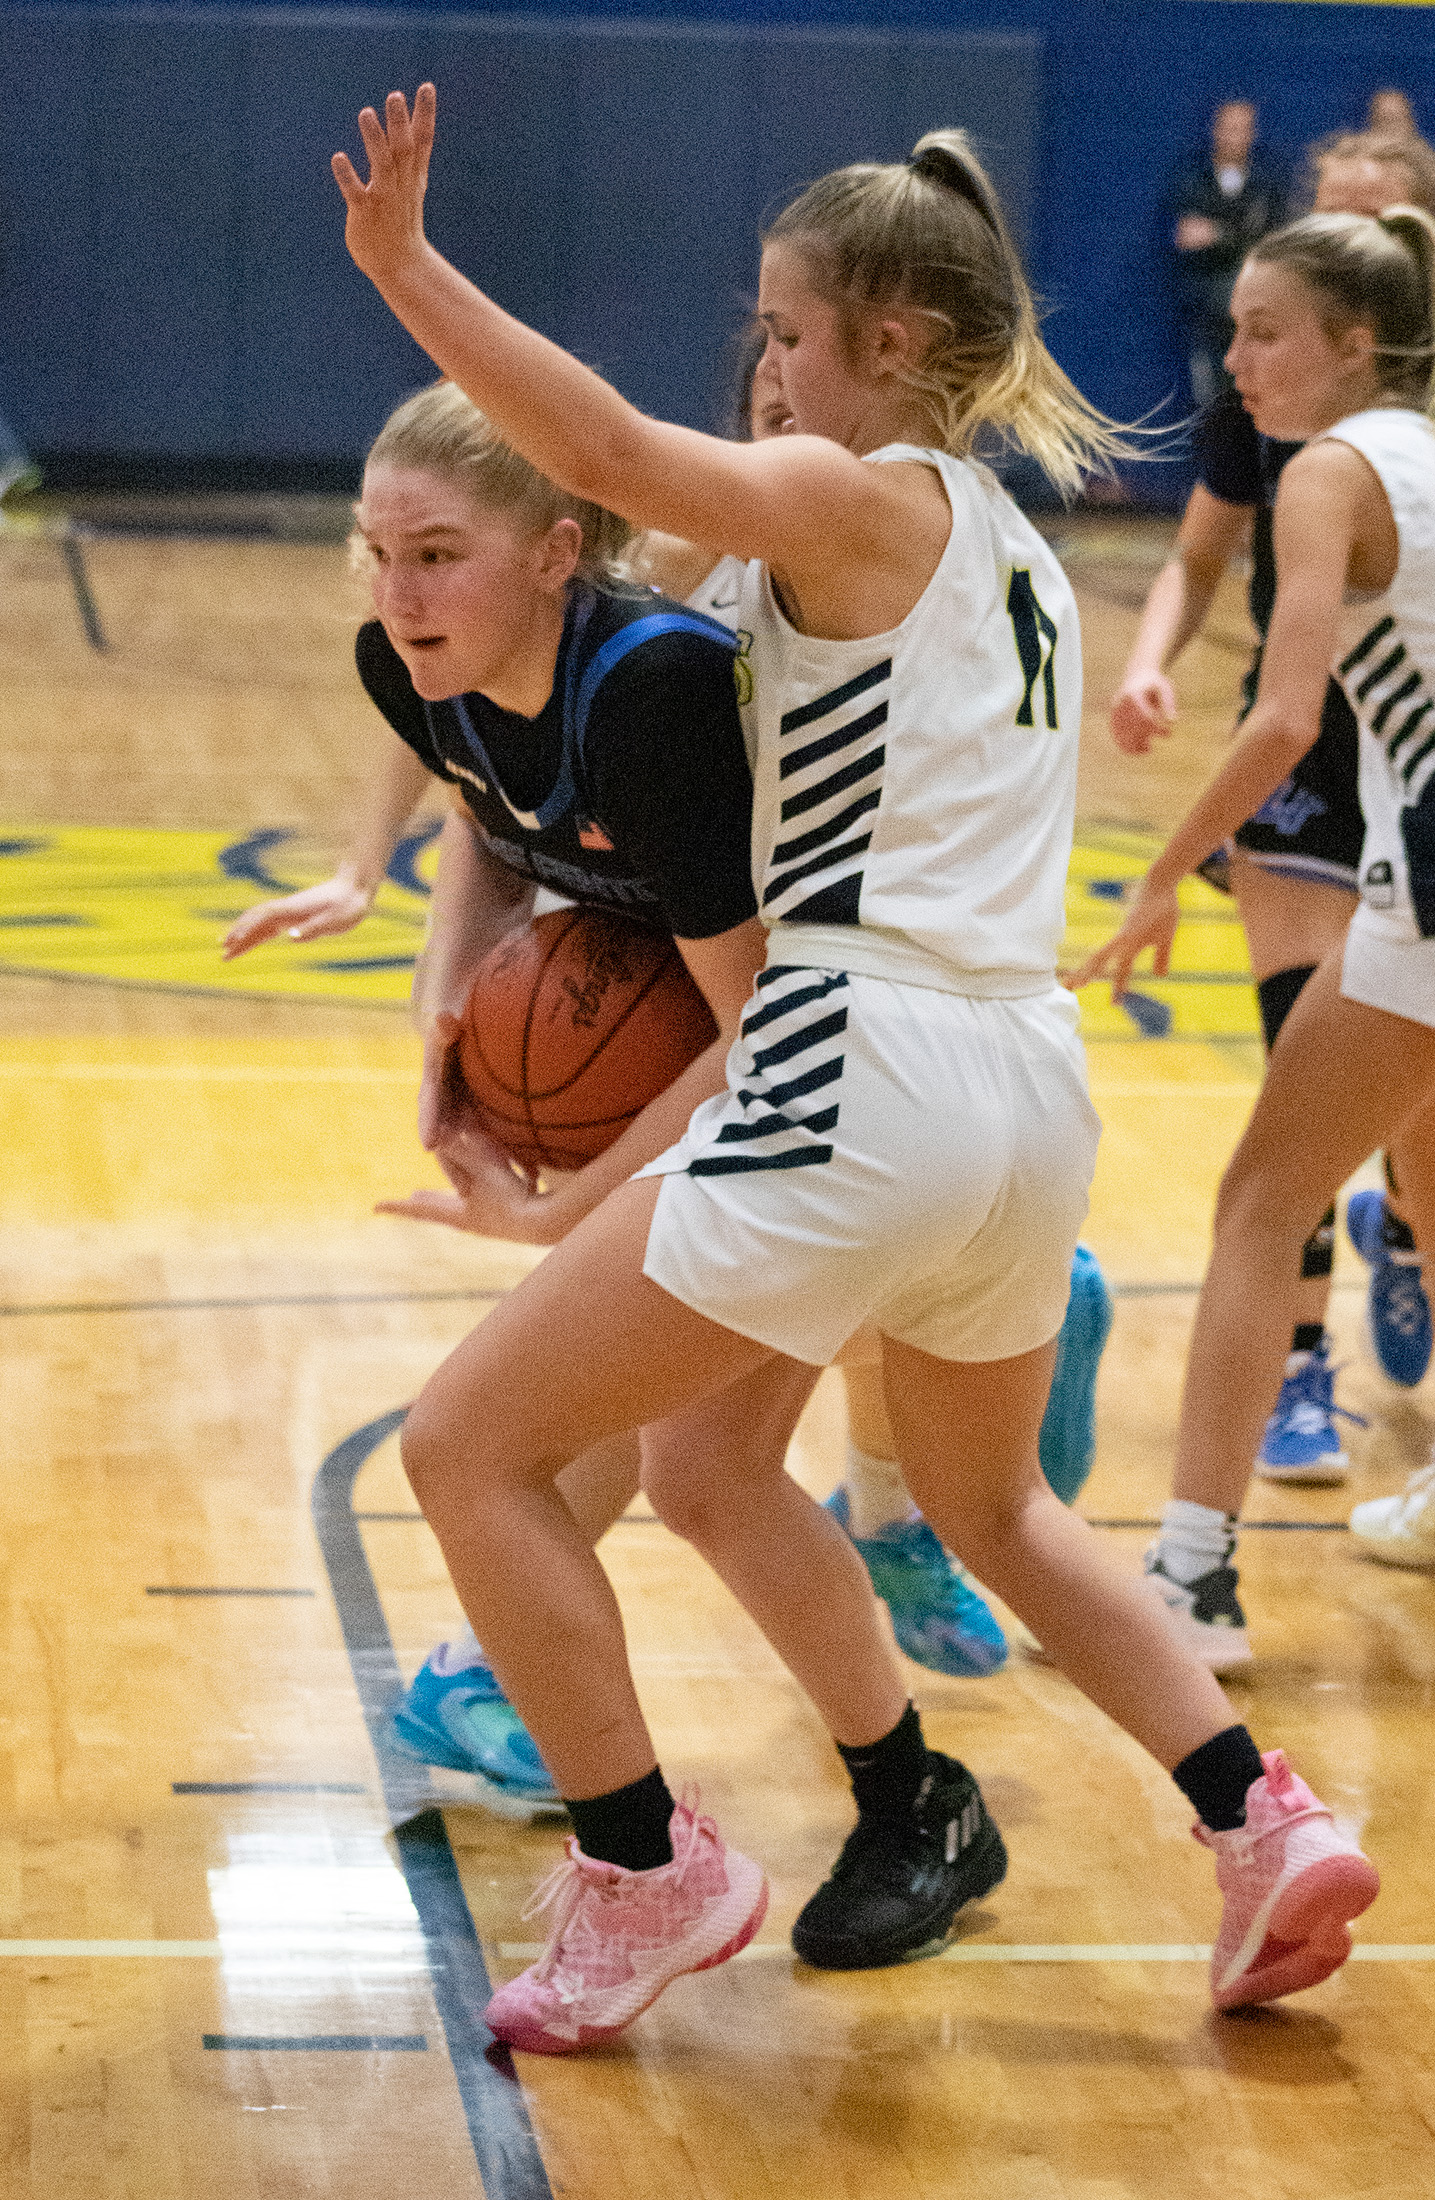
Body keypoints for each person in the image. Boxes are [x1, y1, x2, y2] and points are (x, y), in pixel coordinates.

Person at [327, 87, 1378, 2051]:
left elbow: (612, 452)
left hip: (853, 1054)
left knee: (468, 1448)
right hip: (1025, 1084)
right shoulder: (1012, 557)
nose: (767, 372)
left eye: (786, 333)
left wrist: (407, 272)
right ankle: (1257, 1817)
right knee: (894, 1491)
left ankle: (646, 1864)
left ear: (886, 347)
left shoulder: (863, 494)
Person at [1076, 208, 1435, 1627]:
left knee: (1258, 1202)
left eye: (1262, 331)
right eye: (1228, 328)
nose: (1231, 358)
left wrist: (1163, 868)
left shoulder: (1329, 473)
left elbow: (1282, 720)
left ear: (1353, 347)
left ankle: (1187, 1578)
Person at [1169, 100, 1288, 409]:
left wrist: (1219, 234)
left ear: (1253, 134)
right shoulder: (1191, 180)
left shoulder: (1270, 182)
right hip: (1206, 313)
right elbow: (1189, 239)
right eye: (1228, 128)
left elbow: (1272, 244)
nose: (1234, 137)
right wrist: (1244, 237)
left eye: (1242, 129)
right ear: (1215, 131)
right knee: (1213, 408)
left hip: (1257, 310)